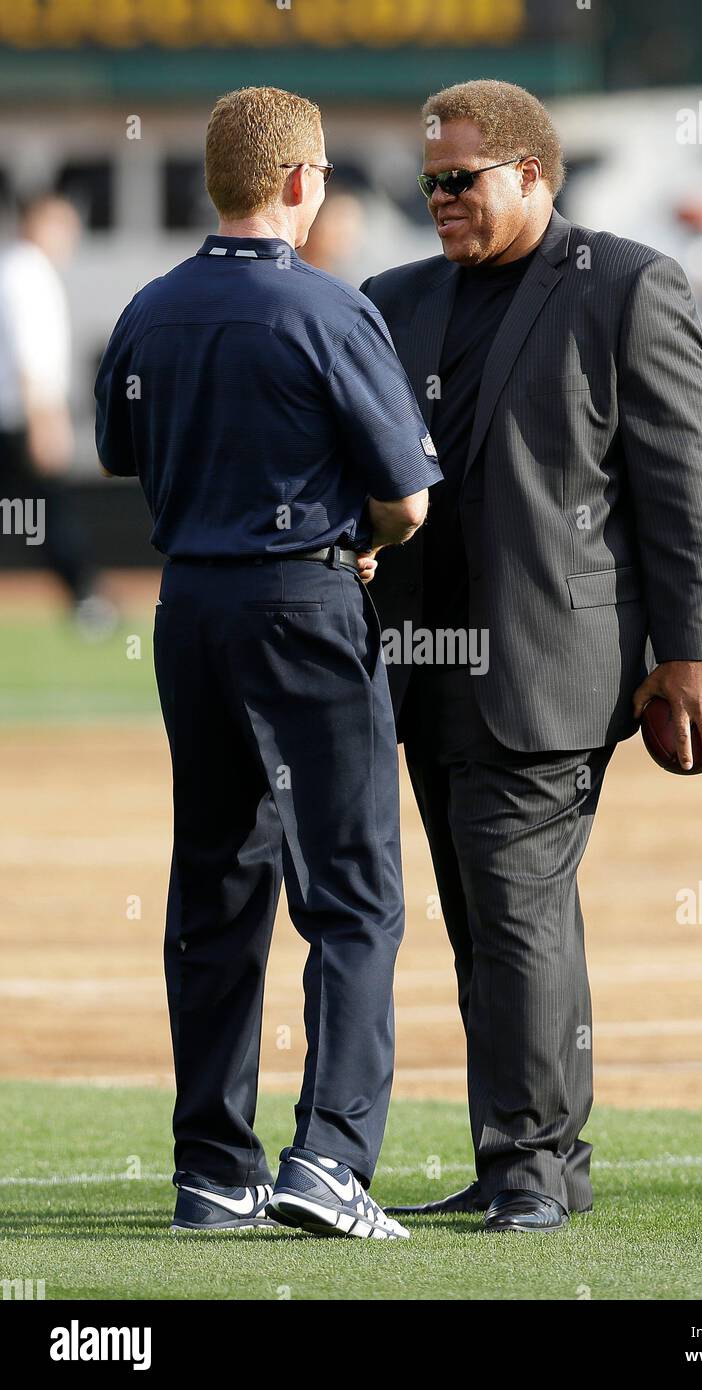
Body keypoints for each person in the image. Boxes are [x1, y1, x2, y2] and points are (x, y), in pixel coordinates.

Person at [362, 79, 702, 1234]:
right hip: (424, 665)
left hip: (552, 664)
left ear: (533, 173)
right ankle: (526, 1159)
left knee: (519, 912)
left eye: (460, 179)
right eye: (428, 180)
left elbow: (685, 488)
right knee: (486, 919)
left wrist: (695, 649)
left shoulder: (628, 284)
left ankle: (532, 1166)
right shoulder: (394, 298)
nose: (439, 199)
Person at [95, 86, 441, 1240]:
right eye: (327, 173)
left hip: (189, 606)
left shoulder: (150, 307)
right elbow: (406, 498)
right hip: (303, 598)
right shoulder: (331, 311)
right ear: (301, 181)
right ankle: (332, 1157)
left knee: (216, 884)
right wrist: (369, 542)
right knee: (352, 891)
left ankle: (214, 1166)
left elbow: (118, 452)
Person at [0, 193, 117, 637]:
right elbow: (30, 358)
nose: (71, 236)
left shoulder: (21, 269)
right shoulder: (26, 273)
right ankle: (87, 595)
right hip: (18, 420)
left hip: (17, 417)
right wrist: (44, 422)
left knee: (40, 514)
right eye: (62, 225)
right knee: (48, 513)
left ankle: (85, 591)